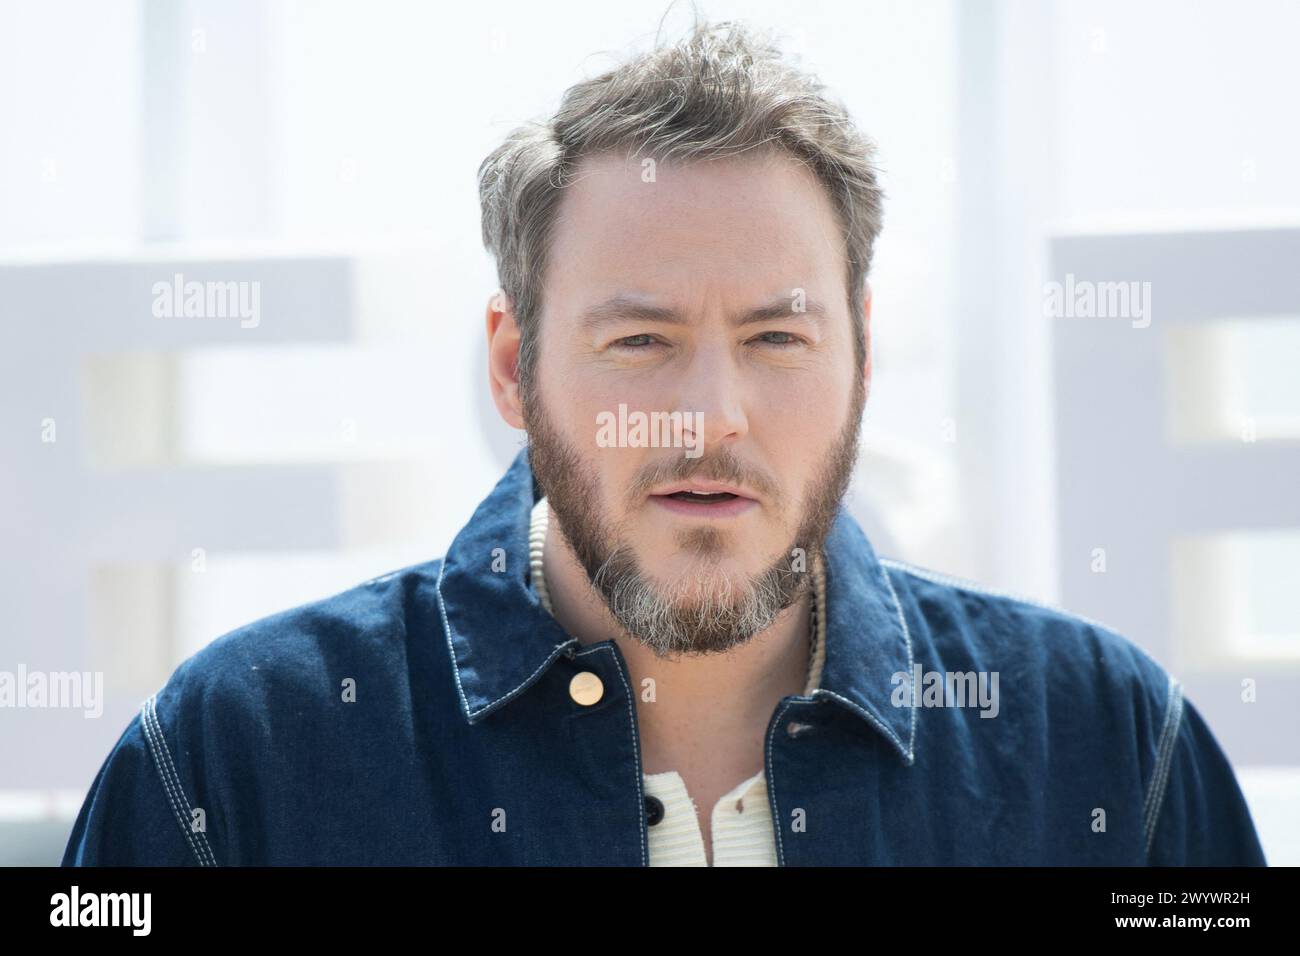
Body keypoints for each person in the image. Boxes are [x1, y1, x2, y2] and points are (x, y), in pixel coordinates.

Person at [63, 18, 1265, 867]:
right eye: (639, 341)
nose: (710, 415)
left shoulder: (1106, 747)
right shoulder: (238, 760)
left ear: (862, 353)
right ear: (511, 365)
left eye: (775, 339)